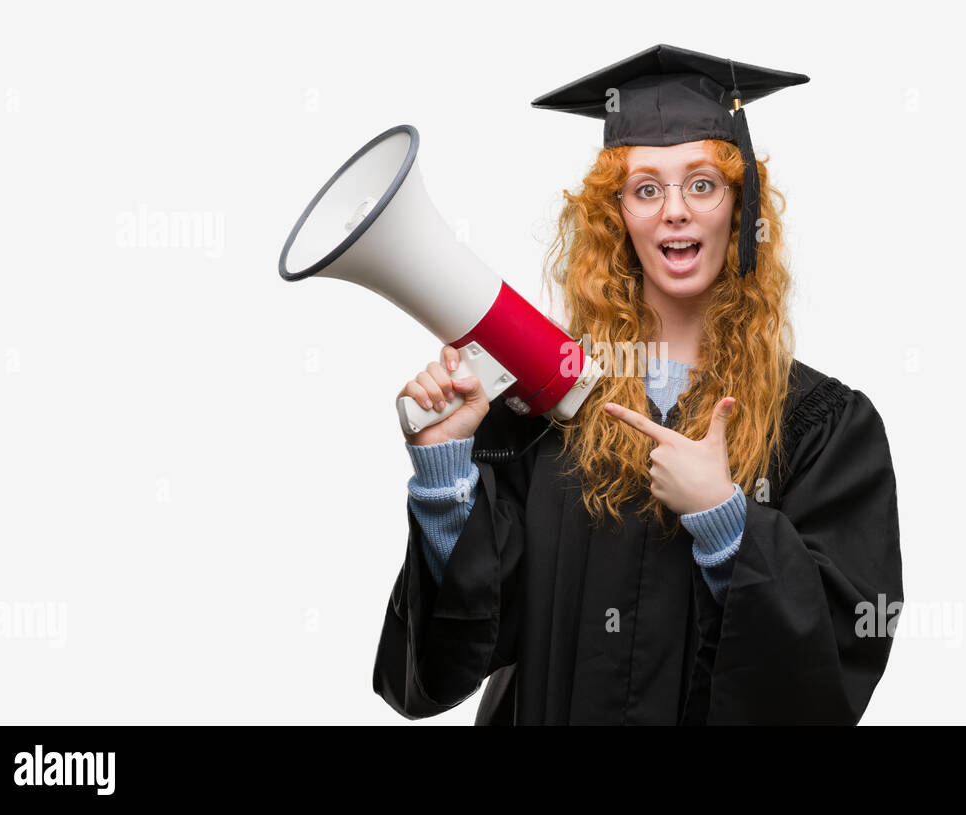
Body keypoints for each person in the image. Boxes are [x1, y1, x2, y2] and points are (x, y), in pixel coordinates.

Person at [372, 44, 904, 725]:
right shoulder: (544, 409)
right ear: (614, 215)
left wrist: (725, 522)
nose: (674, 210)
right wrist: (447, 473)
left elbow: (830, 678)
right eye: (646, 187)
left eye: (703, 183)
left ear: (742, 210)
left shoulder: (824, 426)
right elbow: (443, 667)